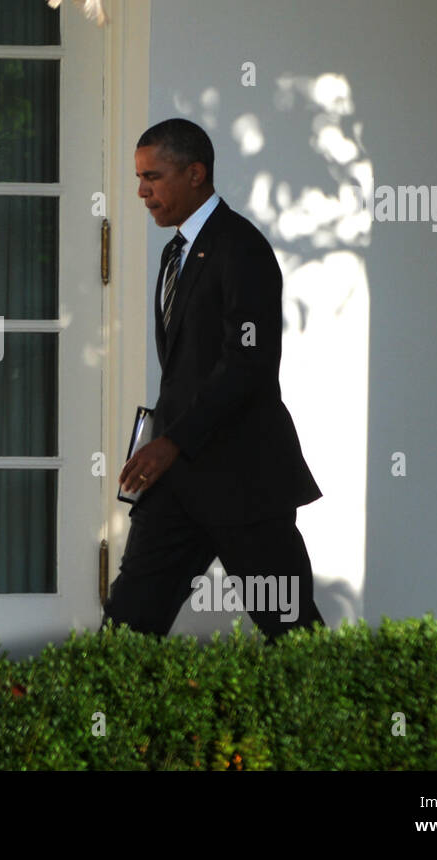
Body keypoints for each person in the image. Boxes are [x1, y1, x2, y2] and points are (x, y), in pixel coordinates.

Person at [103, 118, 324, 642]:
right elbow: (186, 371)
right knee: (127, 627)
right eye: (138, 178)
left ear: (195, 173)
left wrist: (171, 442)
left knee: (292, 631)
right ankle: (106, 723)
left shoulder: (241, 249)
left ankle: (336, 724)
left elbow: (246, 365)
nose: (142, 192)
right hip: (177, 482)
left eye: (153, 177)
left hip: (243, 480)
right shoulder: (175, 251)